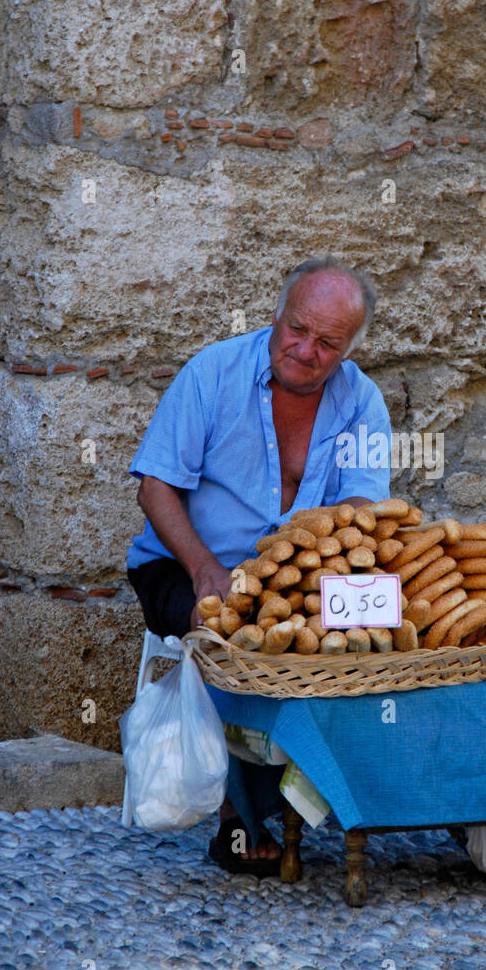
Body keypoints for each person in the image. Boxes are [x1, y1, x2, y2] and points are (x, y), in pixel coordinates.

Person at [126, 255, 392, 874]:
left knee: (381, 630)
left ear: (350, 347)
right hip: (183, 562)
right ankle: (237, 819)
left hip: (297, 576)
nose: (305, 351)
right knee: (224, 627)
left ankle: (346, 791)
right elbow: (155, 489)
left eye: (328, 342)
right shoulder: (212, 374)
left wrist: (307, 564)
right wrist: (202, 569)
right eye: (297, 329)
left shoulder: (361, 402)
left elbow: (362, 505)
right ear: (276, 315)